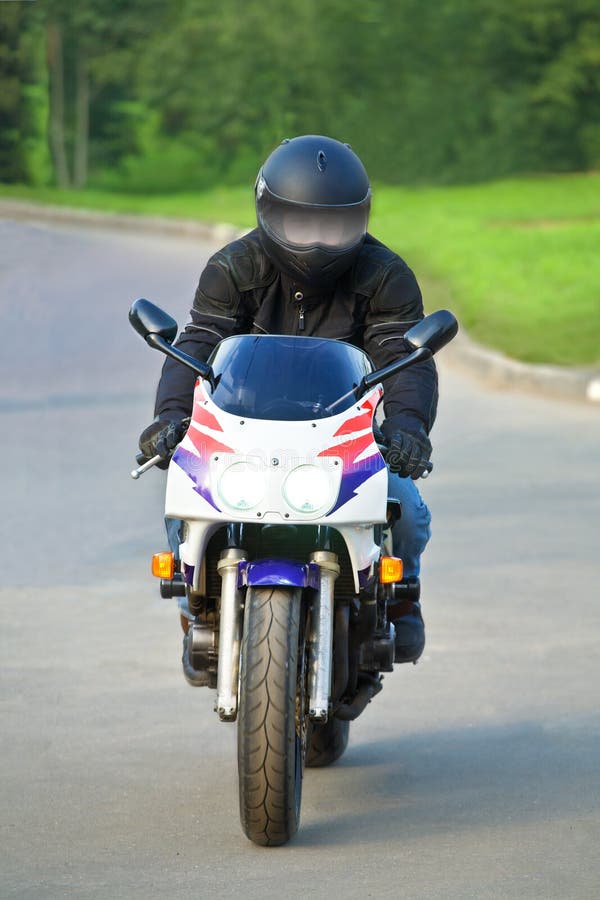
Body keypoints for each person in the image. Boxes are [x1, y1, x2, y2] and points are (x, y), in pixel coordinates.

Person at [139, 134, 437, 665]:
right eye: (301, 224)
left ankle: (404, 594)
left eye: (334, 226)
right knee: (185, 480)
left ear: (361, 218)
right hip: (243, 431)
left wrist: (409, 426)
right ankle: (195, 599)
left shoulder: (385, 275)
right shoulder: (234, 267)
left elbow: (405, 356)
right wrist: (170, 418)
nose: (318, 243)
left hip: (344, 437)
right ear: (267, 212)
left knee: (407, 508)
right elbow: (198, 342)